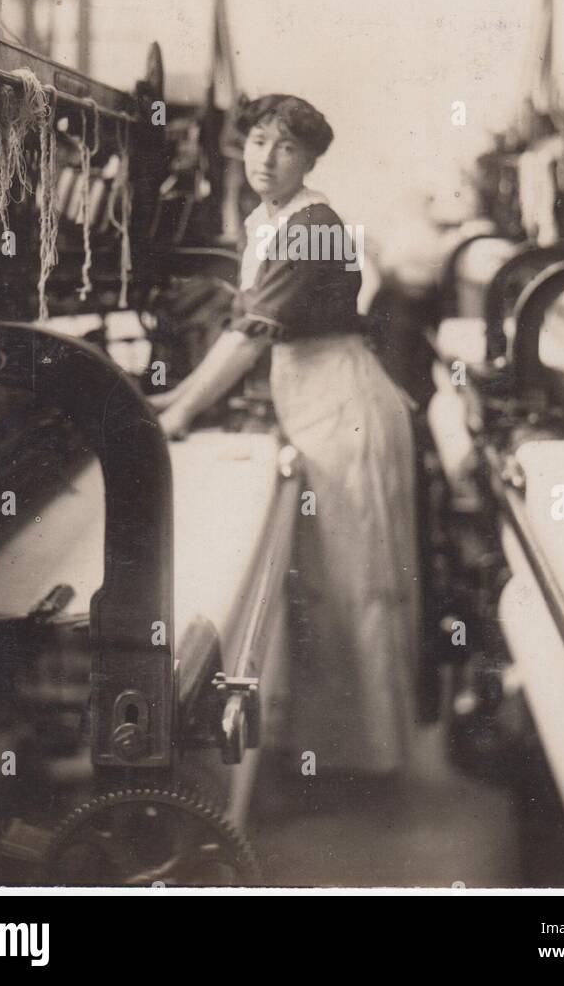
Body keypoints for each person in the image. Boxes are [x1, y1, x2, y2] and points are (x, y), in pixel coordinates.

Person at [153, 94, 420, 775]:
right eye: (257, 142)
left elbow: (249, 337)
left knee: (353, 581)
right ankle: (325, 749)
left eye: (285, 148)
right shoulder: (268, 221)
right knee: (320, 579)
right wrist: (173, 397)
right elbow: (245, 325)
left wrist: (176, 418)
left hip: (342, 406)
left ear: (310, 159)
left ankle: (362, 760)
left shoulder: (311, 226)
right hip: (312, 401)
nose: (265, 159)